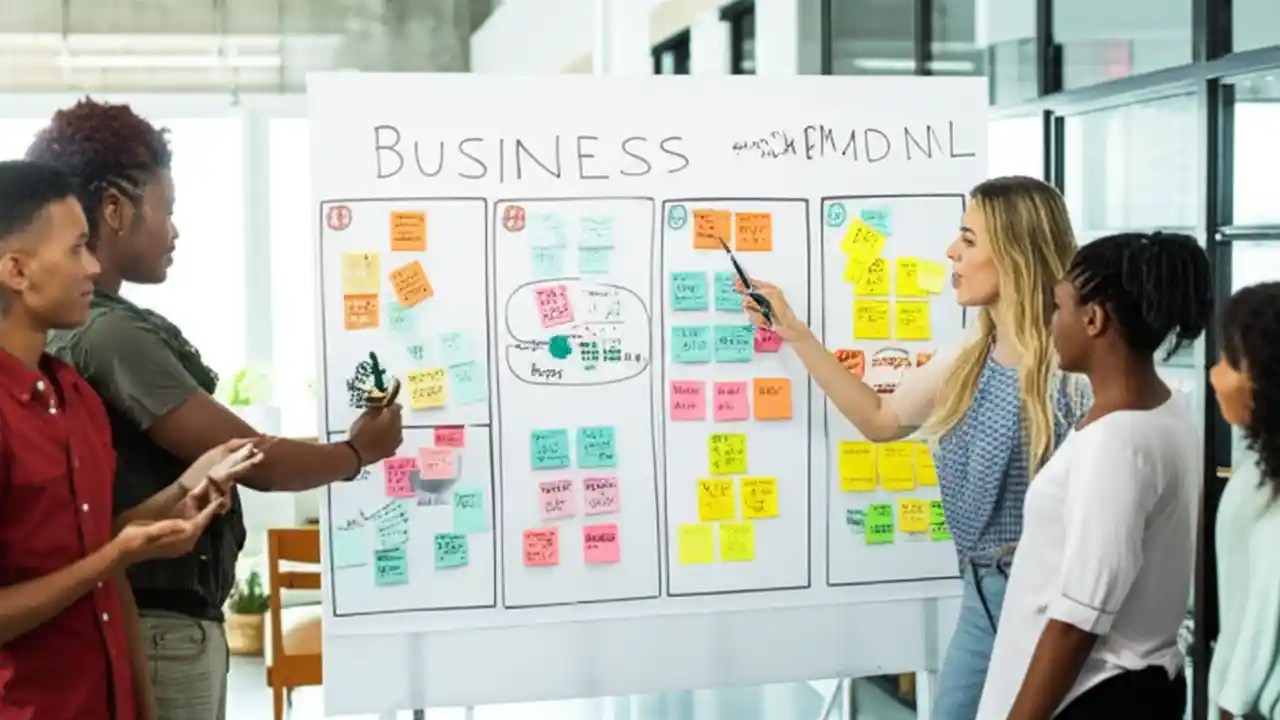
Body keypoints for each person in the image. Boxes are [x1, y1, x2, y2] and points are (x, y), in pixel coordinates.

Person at [26, 98, 405, 720]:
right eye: (167, 209)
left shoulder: (87, 332)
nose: (174, 231)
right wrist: (359, 451)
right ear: (115, 210)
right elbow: (252, 458)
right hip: (160, 626)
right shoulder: (108, 335)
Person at [740, 176, 1091, 719]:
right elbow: (880, 420)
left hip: (1046, 600)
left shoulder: (1071, 373)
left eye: (969, 240)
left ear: (1017, 252)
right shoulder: (971, 359)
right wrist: (795, 332)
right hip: (980, 593)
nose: (952, 252)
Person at [0, 159, 265, 719]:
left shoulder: (74, 398)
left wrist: (176, 500)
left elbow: (97, 551)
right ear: (16, 271)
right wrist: (113, 557)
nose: (93, 267)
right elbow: (100, 561)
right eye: (75, 249)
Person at [976, 232, 1212, 719]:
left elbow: (1077, 620)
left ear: (1094, 318)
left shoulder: (1117, 443)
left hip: (1091, 696)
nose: (1051, 320)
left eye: (1058, 305)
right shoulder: (1167, 411)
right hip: (1128, 687)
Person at [1207, 281, 1280, 720]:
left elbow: (1260, 628)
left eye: (1228, 362)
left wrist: (1231, 704)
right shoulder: (1258, 469)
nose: (1215, 376)